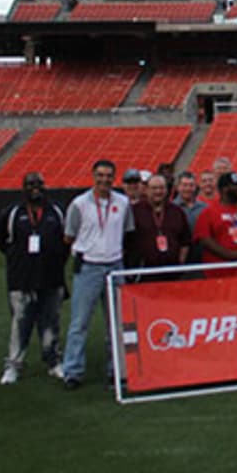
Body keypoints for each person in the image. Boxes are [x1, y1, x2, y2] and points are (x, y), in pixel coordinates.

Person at [61, 159, 135, 390]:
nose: (104, 180)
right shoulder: (79, 203)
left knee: (116, 323)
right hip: (88, 267)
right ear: (93, 176)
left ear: (114, 178)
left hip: (115, 265)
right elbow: (68, 236)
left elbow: (127, 231)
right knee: (79, 322)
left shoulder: (122, 202)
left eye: (108, 176)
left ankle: (117, 371)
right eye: (100, 175)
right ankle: (73, 370)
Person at [0, 172, 67, 385]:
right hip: (21, 280)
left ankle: (53, 361)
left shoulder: (56, 212)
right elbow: (0, 240)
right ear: (23, 188)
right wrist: (18, 259)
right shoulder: (13, 213)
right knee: (20, 323)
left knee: (51, 322)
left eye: (39, 184)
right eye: (30, 184)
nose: (35, 188)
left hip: (52, 278)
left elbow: (66, 241)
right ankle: (14, 365)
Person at [193, 172, 237, 277]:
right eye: (236, 185)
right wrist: (229, 255)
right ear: (224, 189)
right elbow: (204, 239)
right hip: (219, 271)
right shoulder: (208, 212)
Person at [126, 174, 191, 274]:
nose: (158, 191)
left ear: (167, 190)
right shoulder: (134, 211)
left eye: (161, 188)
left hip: (172, 271)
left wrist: (181, 262)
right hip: (143, 272)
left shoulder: (177, 211)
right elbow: (126, 240)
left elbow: (185, 240)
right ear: (146, 190)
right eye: (154, 188)